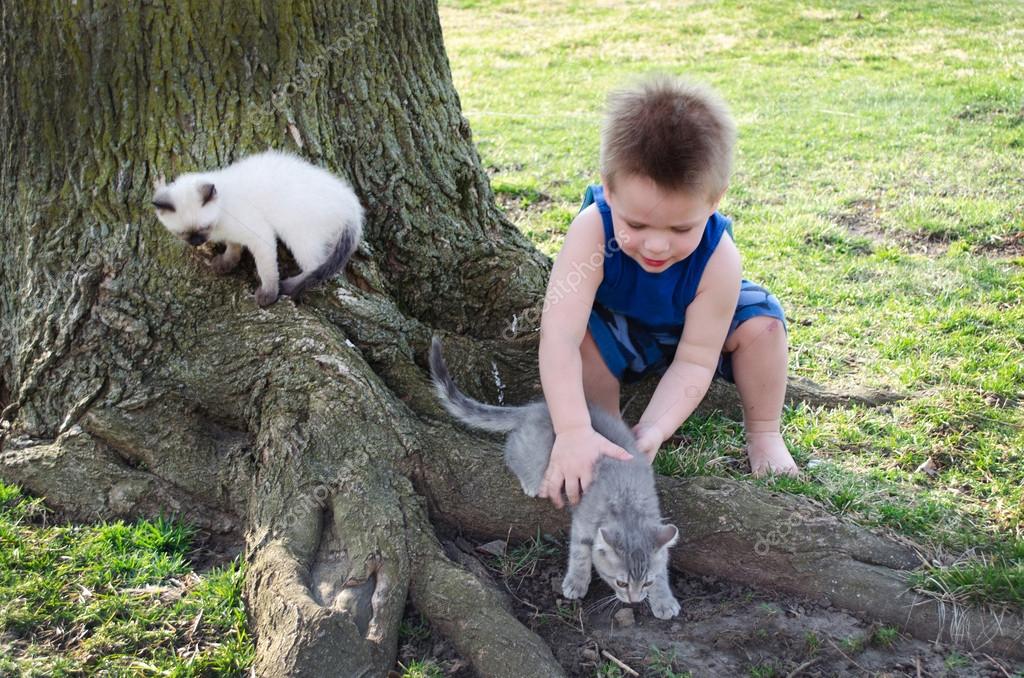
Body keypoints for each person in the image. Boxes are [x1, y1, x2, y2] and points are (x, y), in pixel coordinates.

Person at [538, 75, 798, 509]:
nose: (657, 245)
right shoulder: (592, 229)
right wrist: (569, 430)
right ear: (609, 187)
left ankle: (765, 433)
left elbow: (696, 358)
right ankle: (604, 432)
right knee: (584, 337)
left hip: (695, 328)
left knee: (764, 325)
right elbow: (558, 335)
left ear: (714, 201)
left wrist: (657, 428)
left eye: (681, 228)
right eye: (636, 225)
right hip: (620, 326)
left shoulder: (720, 257)